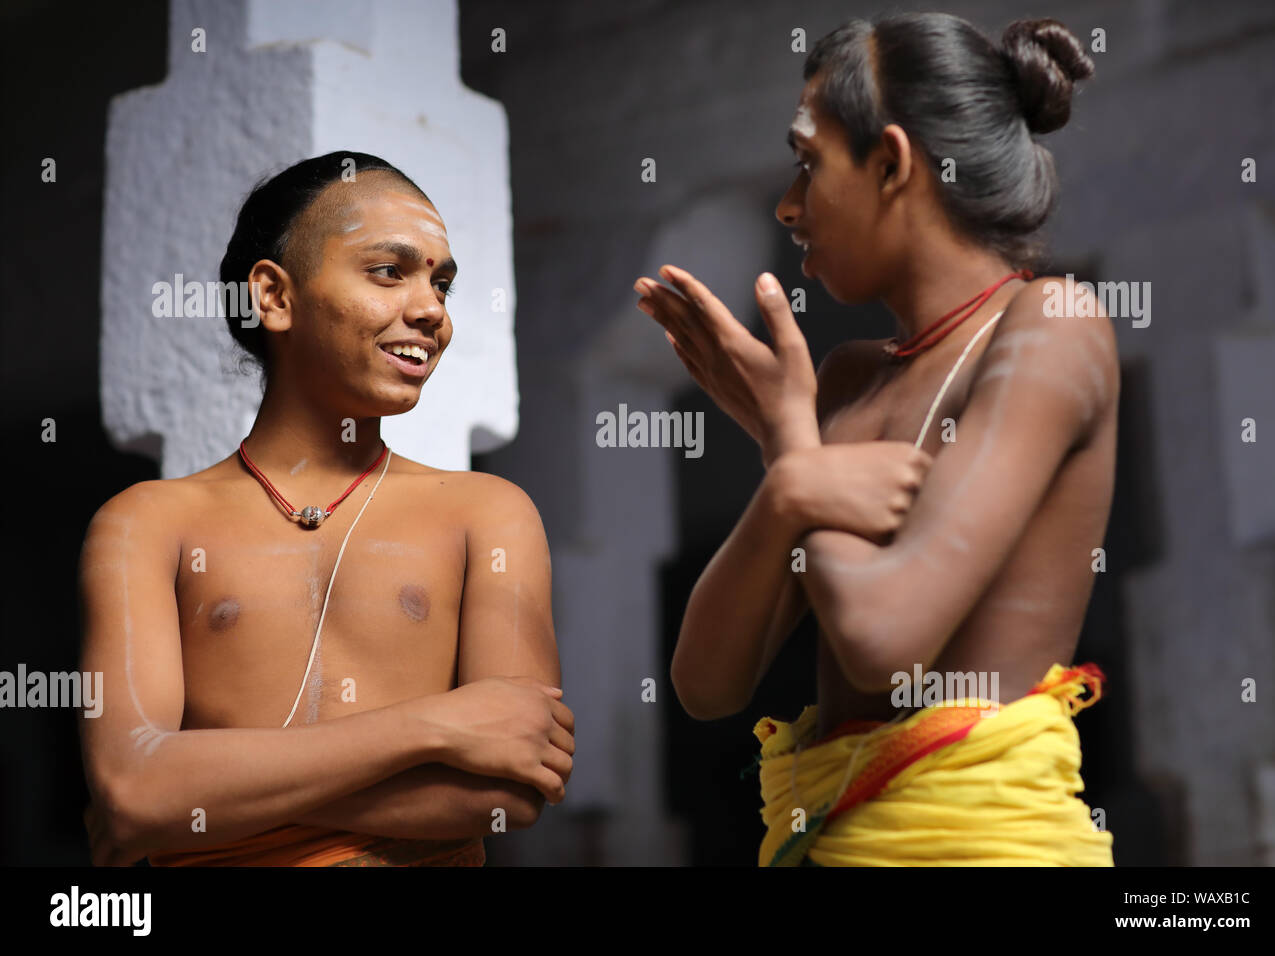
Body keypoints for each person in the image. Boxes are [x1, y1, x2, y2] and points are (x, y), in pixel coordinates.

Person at [636, 15, 1117, 866]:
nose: (789, 204)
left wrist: (791, 445)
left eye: (809, 162)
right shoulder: (853, 379)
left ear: (891, 164)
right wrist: (790, 476)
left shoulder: (1054, 324)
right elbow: (705, 685)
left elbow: (887, 644)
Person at [78, 152, 574, 866]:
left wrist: (203, 790)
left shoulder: (487, 514)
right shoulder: (146, 523)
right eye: (388, 271)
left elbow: (508, 792)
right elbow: (133, 793)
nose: (432, 309)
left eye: (442, 283)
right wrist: (435, 726)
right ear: (274, 297)